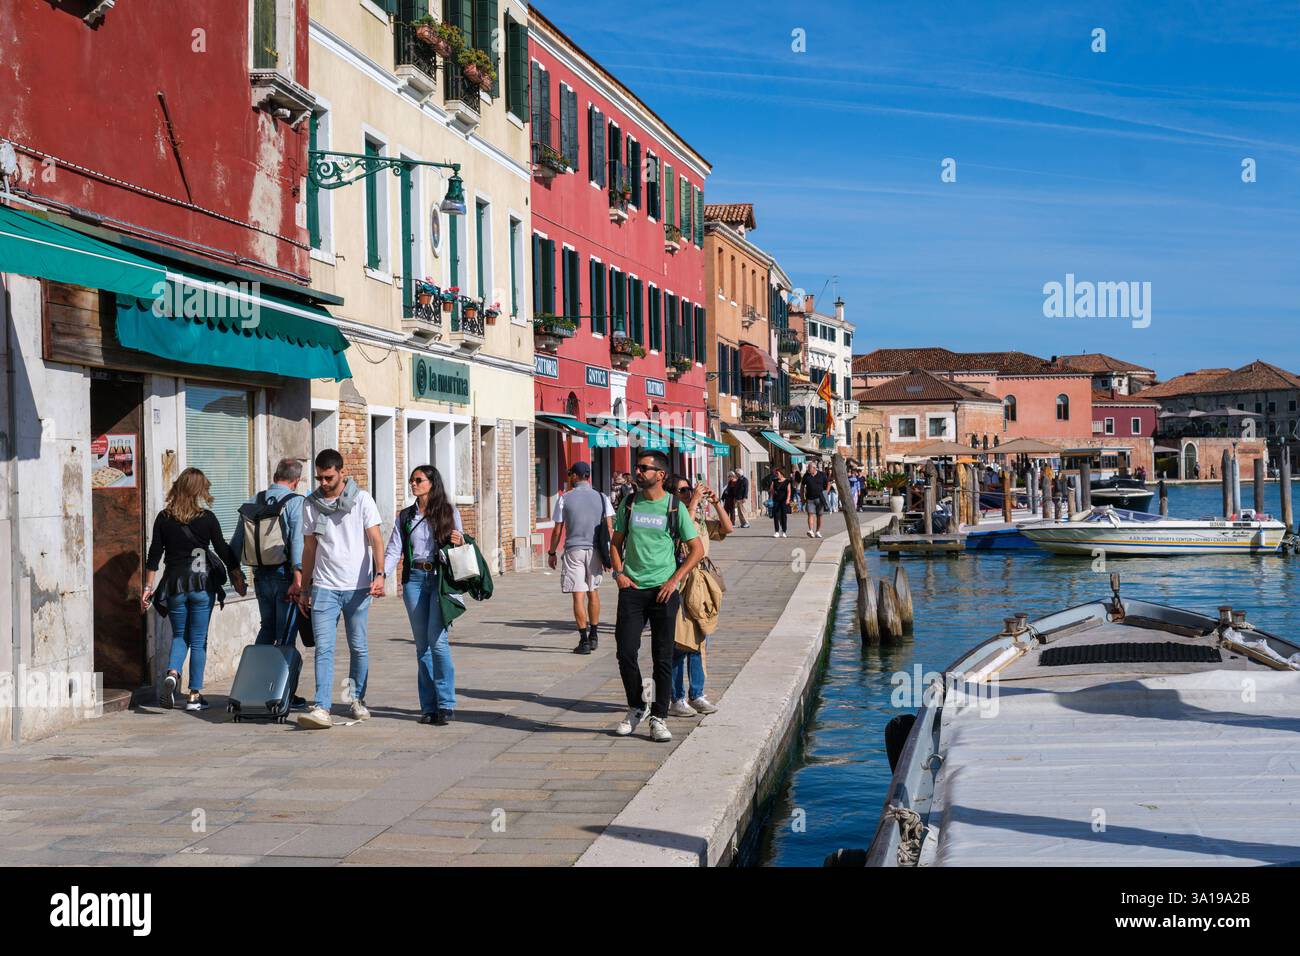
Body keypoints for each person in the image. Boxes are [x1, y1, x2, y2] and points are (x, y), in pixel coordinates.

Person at [609, 450, 705, 743]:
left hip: (664, 591)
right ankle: (637, 706)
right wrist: (619, 573)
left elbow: (696, 549)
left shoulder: (674, 507)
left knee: (662, 657)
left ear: (660, 475)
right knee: (625, 652)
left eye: (643, 468)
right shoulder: (629, 503)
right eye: (637, 468)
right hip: (632, 590)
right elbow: (615, 543)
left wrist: (674, 580)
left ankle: (659, 717)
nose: (637, 472)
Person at [142, 468, 246, 711]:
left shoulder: (164, 518)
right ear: (198, 491)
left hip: (175, 584)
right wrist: (237, 576)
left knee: (180, 635)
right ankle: (194, 696)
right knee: (198, 640)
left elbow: (154, 555)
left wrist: (148, 587)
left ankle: (172, 672)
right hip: (202, 584)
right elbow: (222, 549)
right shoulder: (207, 518)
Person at [295, 449, 385, 730]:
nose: (323, 482)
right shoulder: (310, 504)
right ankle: (322, 707)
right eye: (319, 477)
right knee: (323, 648)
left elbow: (376, 540)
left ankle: (355, 698)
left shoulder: (361, 500)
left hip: (358, 587)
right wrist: (304, 586)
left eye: (328, 477)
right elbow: (310, 548)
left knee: (357, 647)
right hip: (324, 587)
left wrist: (380, 575)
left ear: (341, 472)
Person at [385, 465, 464, 725]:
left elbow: (460, 541)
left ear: (432, 483)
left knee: (438, 642)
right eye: (411, 481)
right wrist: (380, 576)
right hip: (414, 580)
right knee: (422, 646)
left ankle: (446, 703)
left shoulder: (448, 511)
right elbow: (395, 549)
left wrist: (459, 539)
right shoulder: (405, 515)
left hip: (440, 580)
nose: (413, 484)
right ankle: (428, 707)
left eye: (418, 480)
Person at [229, 458, 307, 709]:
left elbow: (238, 540)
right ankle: (283, 691)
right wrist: (299, 576)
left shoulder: (255, 499)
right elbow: (297, 541)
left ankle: (253, 684)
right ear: (296, 480)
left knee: (267, 628)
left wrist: (236, 574)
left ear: (275, 475)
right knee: (285, 634)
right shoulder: (295, 502)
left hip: (260, 576)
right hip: (286, 576)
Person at [667, 474, 732, 717]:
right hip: (681, 581)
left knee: (700, 638)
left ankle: (697, 693)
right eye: (683, 491)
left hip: (702, 582)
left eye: (690, 490)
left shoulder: (701, 521)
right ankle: (677, 698)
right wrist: (693, 502)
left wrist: (716, 503)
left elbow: (727, 528)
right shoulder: (673, 518)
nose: (688, 494)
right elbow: (684, 532)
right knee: (680, 642)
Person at [548, 461, 615, 655]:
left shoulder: (564, 499)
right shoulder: (602, 498)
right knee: (593, 592)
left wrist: (552, 552)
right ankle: (594, 635)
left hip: (574, 550)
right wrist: (608, 554)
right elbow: (609, 528)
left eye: (570, 474)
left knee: (578, 595)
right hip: (595, 550)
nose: (569, 477)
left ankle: (584, 640)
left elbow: (557, 530)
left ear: (575, 476)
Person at [800, 460, 831, 538]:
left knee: (819, 516)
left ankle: (817, 531)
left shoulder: (822, 475)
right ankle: (811, 530)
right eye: (808, 468)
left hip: (820, 499)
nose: (808, 470)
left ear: (814, 468)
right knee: (810, 514)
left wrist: (826, 493)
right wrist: (802, 498)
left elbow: (828, 484)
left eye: (809, 468)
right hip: (810, 499)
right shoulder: (806, 475)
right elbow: (802, 487)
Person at [770, 466, 793, 537]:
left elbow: (789, 491)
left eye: (777, 473)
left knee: (783, 516)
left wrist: (788, 499)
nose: (776, 475)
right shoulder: (774, 481)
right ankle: (776, 531)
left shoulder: (787, 481)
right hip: (776, 500)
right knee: (776, 516)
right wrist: (770, 499)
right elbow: (771, 491)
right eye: (776, 473)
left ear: (781, 473)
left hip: (784, 500)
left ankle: (784, 531)